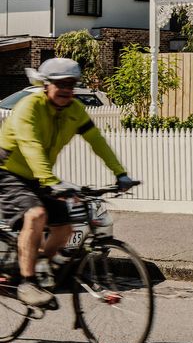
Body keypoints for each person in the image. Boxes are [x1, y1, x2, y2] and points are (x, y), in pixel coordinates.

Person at [0, 57, 137, 308]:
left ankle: (37, 264)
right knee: (36, 214)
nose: (66, 89)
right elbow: (31, 146)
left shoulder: (74, 110)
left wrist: (120, 174)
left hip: (38, 176)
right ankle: (27, 283)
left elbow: (97, 141)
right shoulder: (28, 108)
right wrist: (51, 181)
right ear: (45, 85)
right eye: (60, 83)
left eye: (71, 84)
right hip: (8, 173)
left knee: (64, 226)